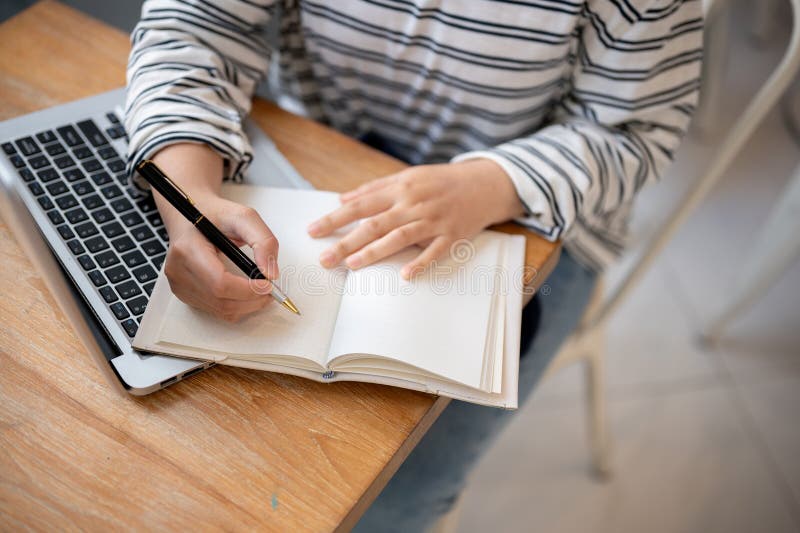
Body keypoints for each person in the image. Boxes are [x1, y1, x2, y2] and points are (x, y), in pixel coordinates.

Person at [125, 1, 702, 529]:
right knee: (198, 452)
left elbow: (634, 134)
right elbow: (195, 25)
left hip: (536, 210)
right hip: (315, 156)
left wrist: (490, 185)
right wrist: (190, 201)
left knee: (381, 500)